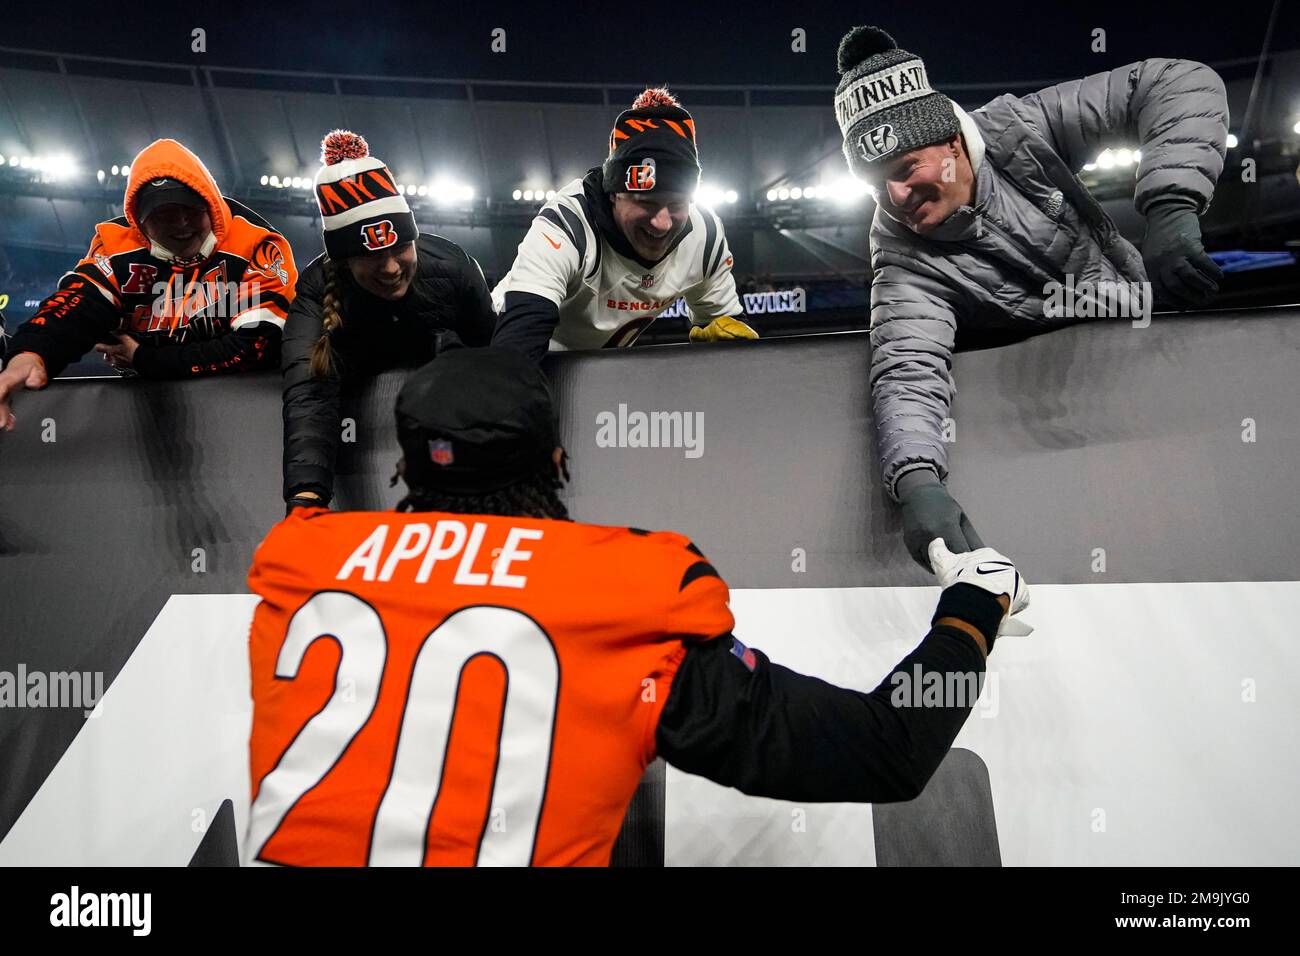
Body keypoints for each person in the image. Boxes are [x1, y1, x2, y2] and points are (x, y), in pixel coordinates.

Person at [244, 346, 1030, 867]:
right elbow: (882, 751)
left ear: (405, 466)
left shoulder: (298, 559)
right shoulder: (628, 590)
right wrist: (972, 609)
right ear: (556, 460)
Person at [834, 26, 1228, 569]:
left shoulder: (1020, 129)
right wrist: (917, 480)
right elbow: (907, 370)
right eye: (877, 185)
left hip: (1143, 364)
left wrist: (1172, 206)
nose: (896, 197)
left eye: (905, 169)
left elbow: (1177, 80)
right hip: (1042, 421)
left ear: (952, 141)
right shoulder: (902, 256)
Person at [0, 139, 296, 432]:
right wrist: (31, 352)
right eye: (165, 214)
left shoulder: (257, 245)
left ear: (211, 204)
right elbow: (78, 305)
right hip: (149, 415)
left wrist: (144, 359)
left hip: (250, 410)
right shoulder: (116, 248)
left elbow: (259, 346)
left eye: (191, 209)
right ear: (139, 222)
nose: (181, 223)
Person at [281, 130, 496, 513]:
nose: (392, 267)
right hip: (360, 431)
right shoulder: (315, 292)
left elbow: (492, 362)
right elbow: (309, 397)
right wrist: (306, 501)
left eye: (400, 247)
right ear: (344, 260)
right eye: (373, 257)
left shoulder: (454, 268)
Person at [490, 88, 758, 358]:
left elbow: (727, 328)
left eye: (677, 204)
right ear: (614, 194)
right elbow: (516, 351)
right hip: (496, 347)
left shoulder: (704, 235)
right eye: (647, 203)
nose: (662, 223)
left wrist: (727, 344)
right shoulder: (569, 223)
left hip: (591, 370)